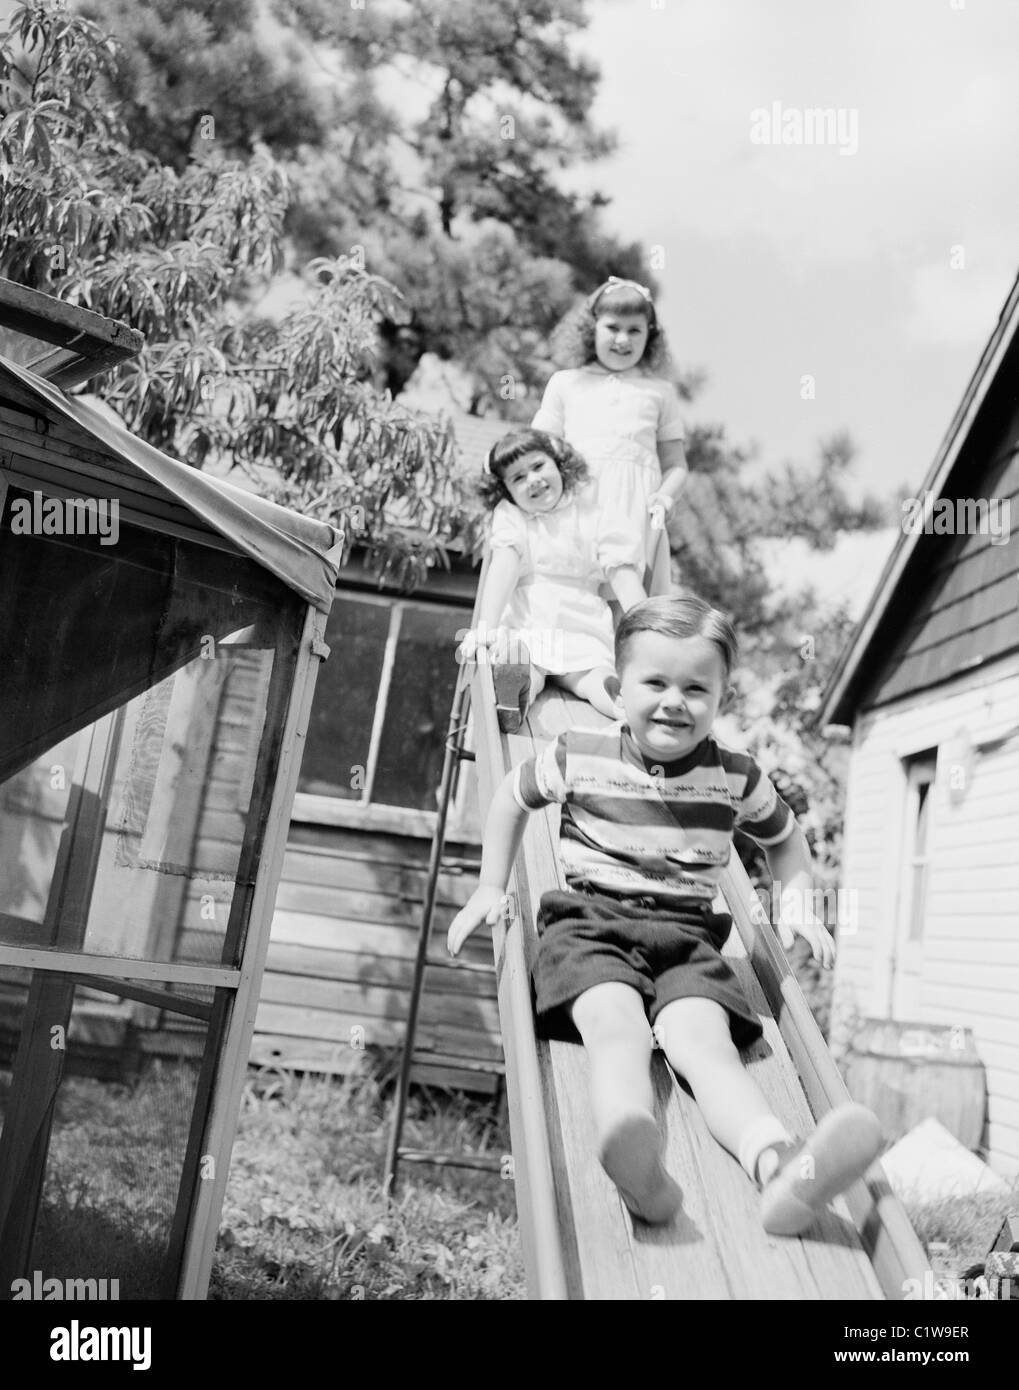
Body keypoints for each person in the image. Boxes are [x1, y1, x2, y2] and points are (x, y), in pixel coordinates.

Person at [448, 594, 882, 1232]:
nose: (675, 700)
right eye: (655, 682)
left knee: (705, 1046)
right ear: (619, 690)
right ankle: (635, 1155)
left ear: (722, 700)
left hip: (688, 941)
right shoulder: (579, 751)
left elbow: (786, 838)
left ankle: (780, 1168)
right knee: (616, 1027)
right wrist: (490, 885)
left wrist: (796, 901)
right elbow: (513, 798)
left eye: (696, 688)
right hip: (589, 927)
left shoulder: (736, 778)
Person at [460, 428, 647, 730]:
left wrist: (651, 632)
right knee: (527, 665)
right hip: (529, 621)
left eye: (537, 466)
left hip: (582, 625)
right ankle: (513, 695)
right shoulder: (512, 515)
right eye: (518, 478)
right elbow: (503, 569)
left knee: (594, 677)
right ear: (506, 491)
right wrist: (486, 628)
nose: (532, 479)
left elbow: (621, 571)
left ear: (559, 464)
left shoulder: (593, 514)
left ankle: (622, 706)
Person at [532, 277, 688, 597]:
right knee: (573, 595)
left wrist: (665, 497)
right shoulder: (565, 383)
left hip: (635, 511)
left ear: (650, 337)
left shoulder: (660, 392)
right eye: (613, 327)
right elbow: (537, 450)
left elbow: (676, 465)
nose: (622, 339)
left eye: (635, 330)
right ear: (592, 329)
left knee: (629, 603)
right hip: (578, 505)